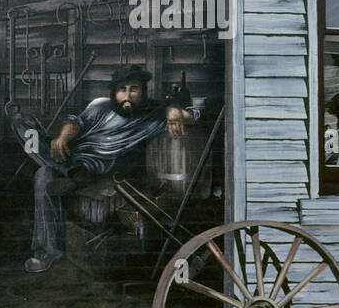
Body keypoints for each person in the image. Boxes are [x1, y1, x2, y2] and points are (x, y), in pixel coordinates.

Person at [11, 64, 203, 273]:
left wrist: (174, 111)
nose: (127, 95)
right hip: (69, 155)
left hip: (100, 167)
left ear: (143, 91)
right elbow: (76, 122)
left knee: (43, 173)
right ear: (114, 92)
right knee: (24, 128)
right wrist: (63, 137)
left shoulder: (152, 115)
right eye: (122, 90)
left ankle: (47, 251)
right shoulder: (100, 106)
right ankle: (72, 176)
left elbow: (198, 112)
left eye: (134, 89)